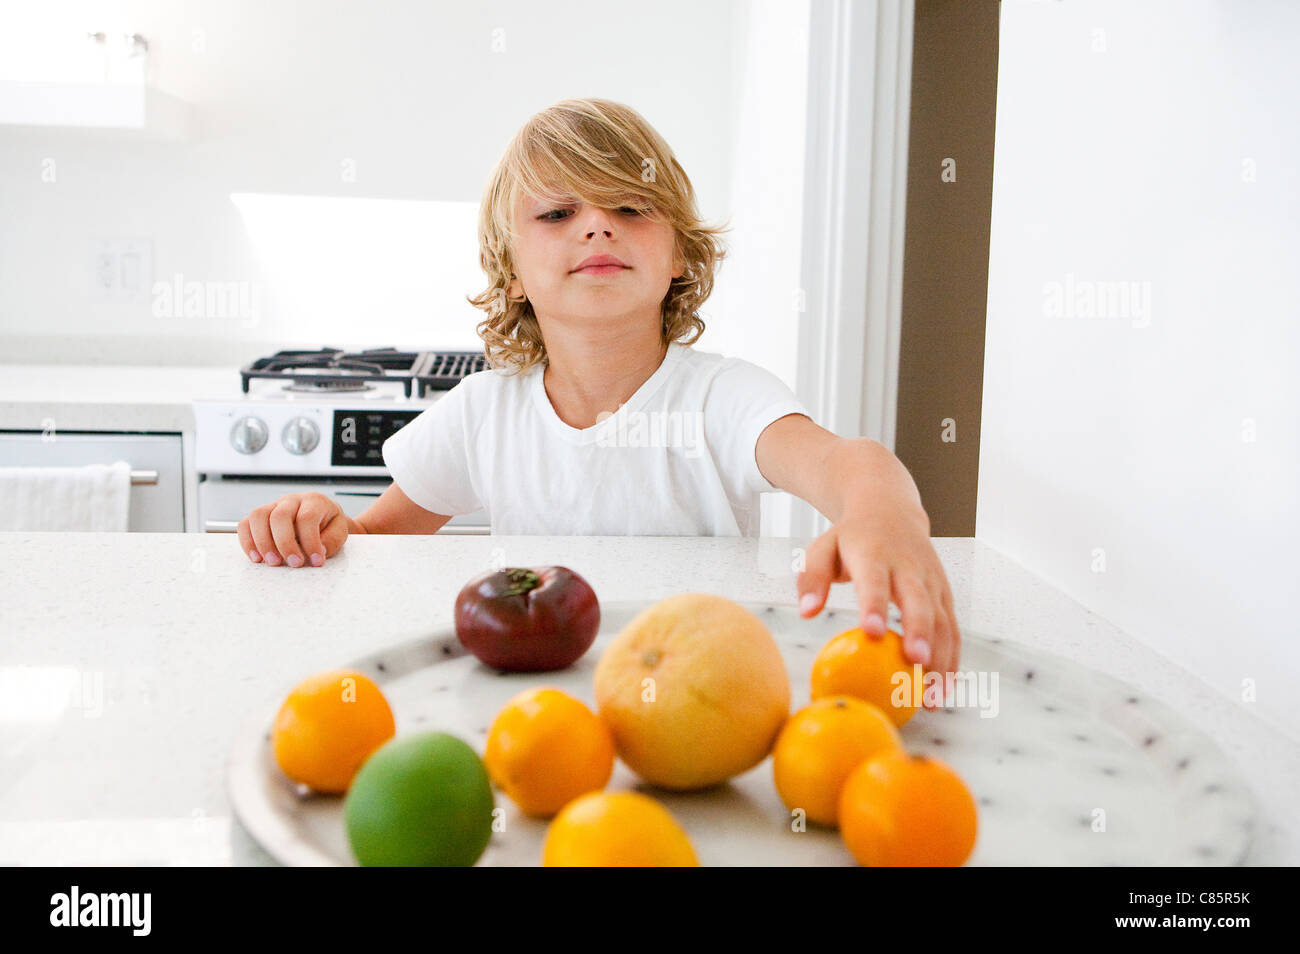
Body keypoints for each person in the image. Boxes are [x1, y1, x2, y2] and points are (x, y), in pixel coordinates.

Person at [236, 98, 959, 702]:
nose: (596, 225)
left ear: (678, 256)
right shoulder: (482, 412)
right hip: (540, 706)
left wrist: (882, 514)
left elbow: (842, 463)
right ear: (512, 270)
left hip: (698, 698)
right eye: (556, 214)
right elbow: (377, 546)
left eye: (630, 206)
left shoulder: (722, 398)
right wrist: (319, 527)